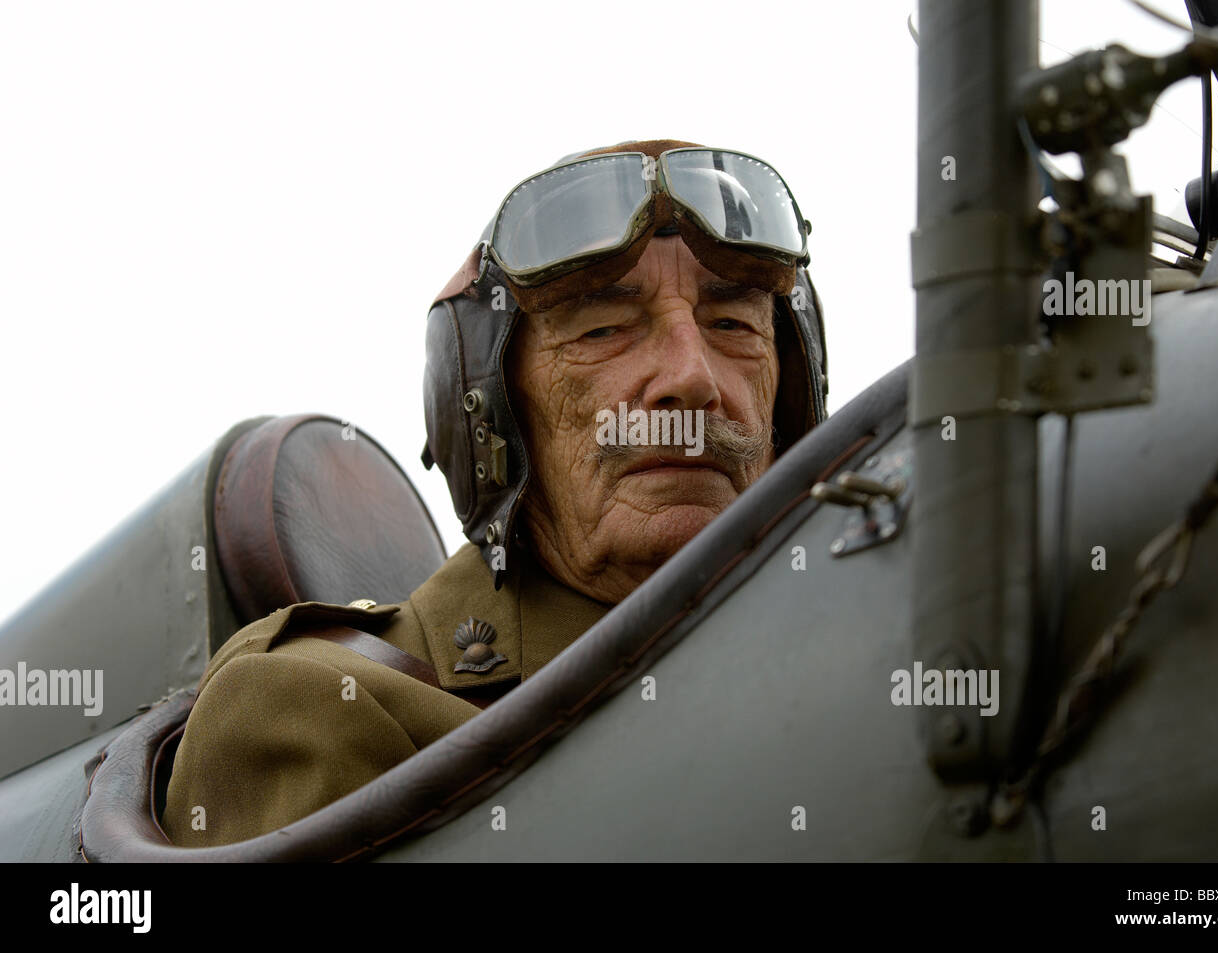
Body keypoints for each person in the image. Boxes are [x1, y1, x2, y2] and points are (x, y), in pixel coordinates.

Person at [162, 139, 829, 846]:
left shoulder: (865, 663)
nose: (692, 378)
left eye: (732, 324)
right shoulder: (320, 710)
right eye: (604, 329)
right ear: (488, 414)